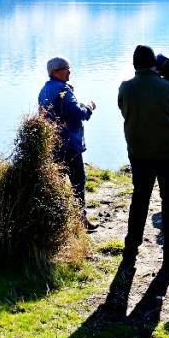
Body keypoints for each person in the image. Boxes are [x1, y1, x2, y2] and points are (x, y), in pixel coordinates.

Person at [118, 44, 169, 265]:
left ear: (134, 64)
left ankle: (130, 251)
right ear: (155, 64)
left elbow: (124, 109)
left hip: (139, 155)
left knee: (139, 202)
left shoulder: (125, 88)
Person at [38, 57, 98, 230]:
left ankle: (54, 222)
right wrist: (89, 107)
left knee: (56, 182)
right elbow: (78, 113)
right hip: (69, 143)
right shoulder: (63, 90)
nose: (69, 71)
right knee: (78, 181)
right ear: (55, 72)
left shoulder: (44, 90)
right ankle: (81, 220)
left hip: (52, 143)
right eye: (66, 68)